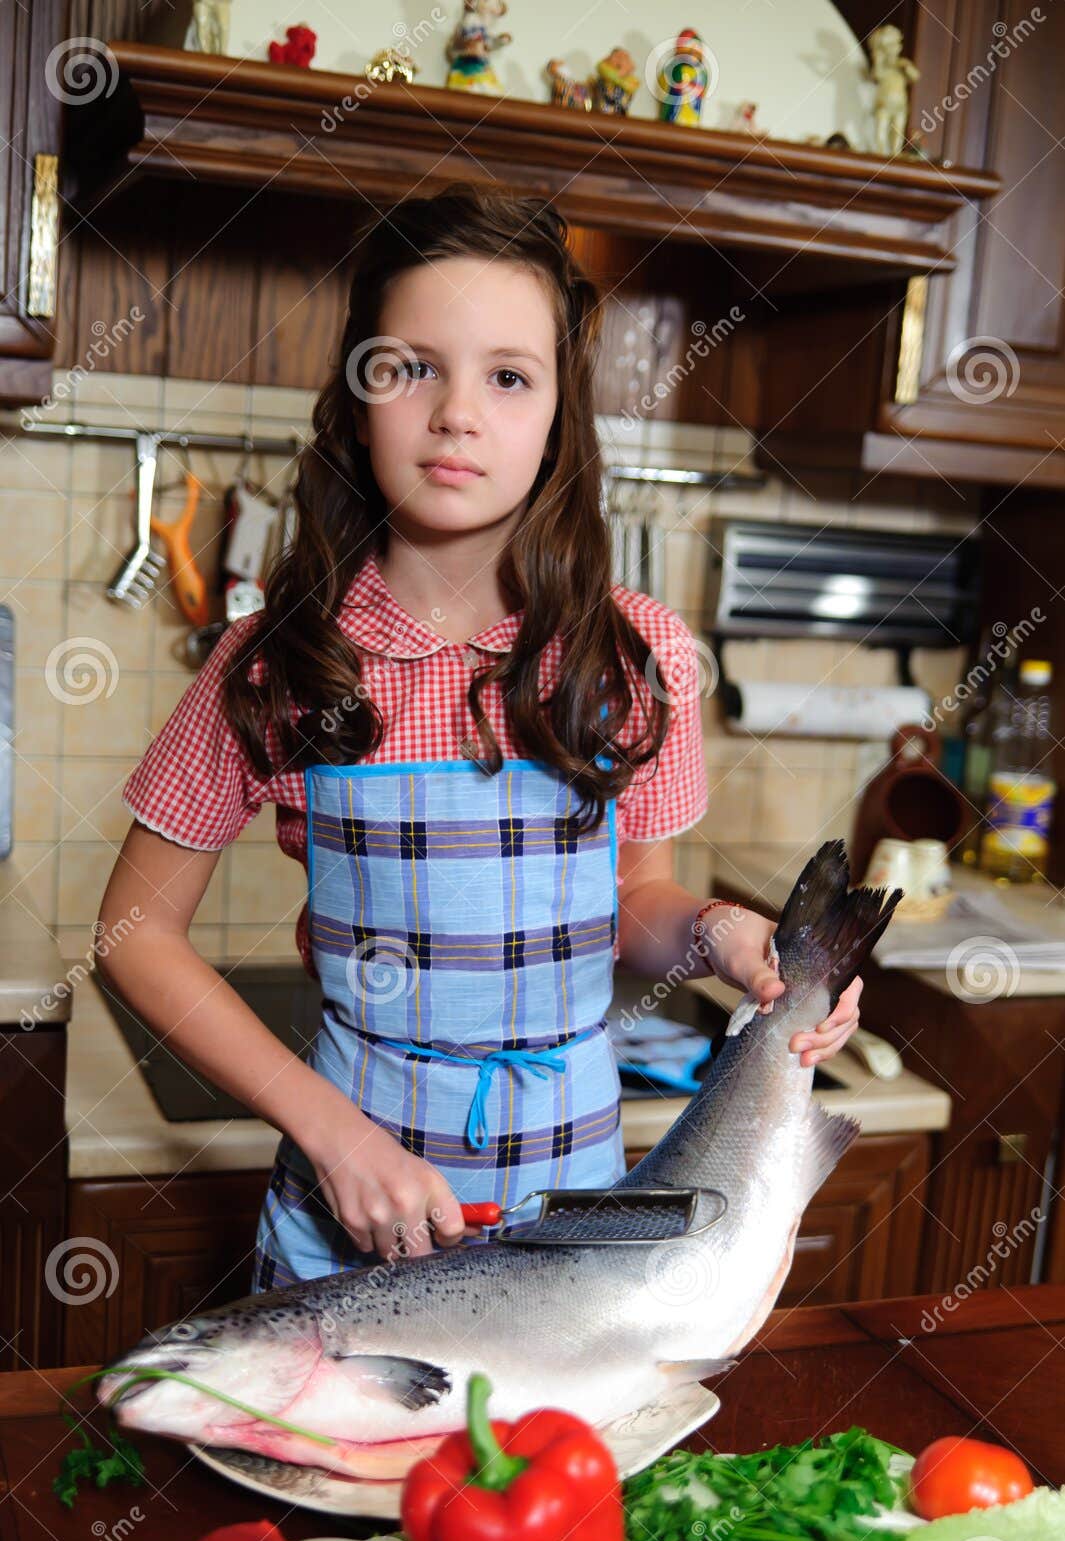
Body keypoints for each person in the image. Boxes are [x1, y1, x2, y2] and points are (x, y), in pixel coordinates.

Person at [96, 183, 864, 1295]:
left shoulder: (634, 656)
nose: (458, 411)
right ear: (357, 398)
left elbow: (634, 907)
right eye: (413, 367)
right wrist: (337, 1137)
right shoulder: (280, 659)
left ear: (559, 418)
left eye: (509, 376)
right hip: (349, 1226)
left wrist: (718, 934)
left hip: (576, 1213)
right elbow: (133, 931)